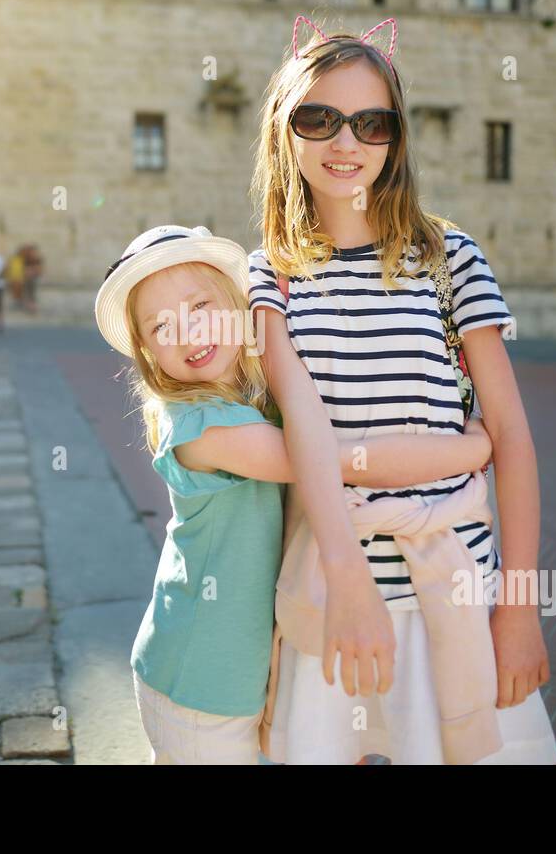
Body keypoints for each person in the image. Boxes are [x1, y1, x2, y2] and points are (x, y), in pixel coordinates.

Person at [246, 16, 556, 764]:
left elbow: (510, 439)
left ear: (396, 138)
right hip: (329, 584)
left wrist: (518, 611)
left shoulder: (449, 257)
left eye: (370, 123)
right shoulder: (271, 273)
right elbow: (303, 436)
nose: (345, 143)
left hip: (451, 587)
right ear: (284, 131)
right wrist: (351, 578)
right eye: (318, 119)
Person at [94, 224, 495, 764]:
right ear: (147, 352)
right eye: (161, 325)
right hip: (197, 679)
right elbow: (332, 460)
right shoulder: (201, 427)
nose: (187, 333)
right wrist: (470, 453)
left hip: (231, 674)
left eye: (200, 306)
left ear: (237, 305)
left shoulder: (247, 402)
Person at [21, 244, 44, 314]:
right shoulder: (27, 260)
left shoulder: (36, 259)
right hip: (28, 278)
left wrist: (33, 272)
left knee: (32, 295)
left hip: (33, 278)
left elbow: (39, 269)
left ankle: (32, 308)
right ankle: (30, 308)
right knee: (28, 294)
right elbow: (24, 269)